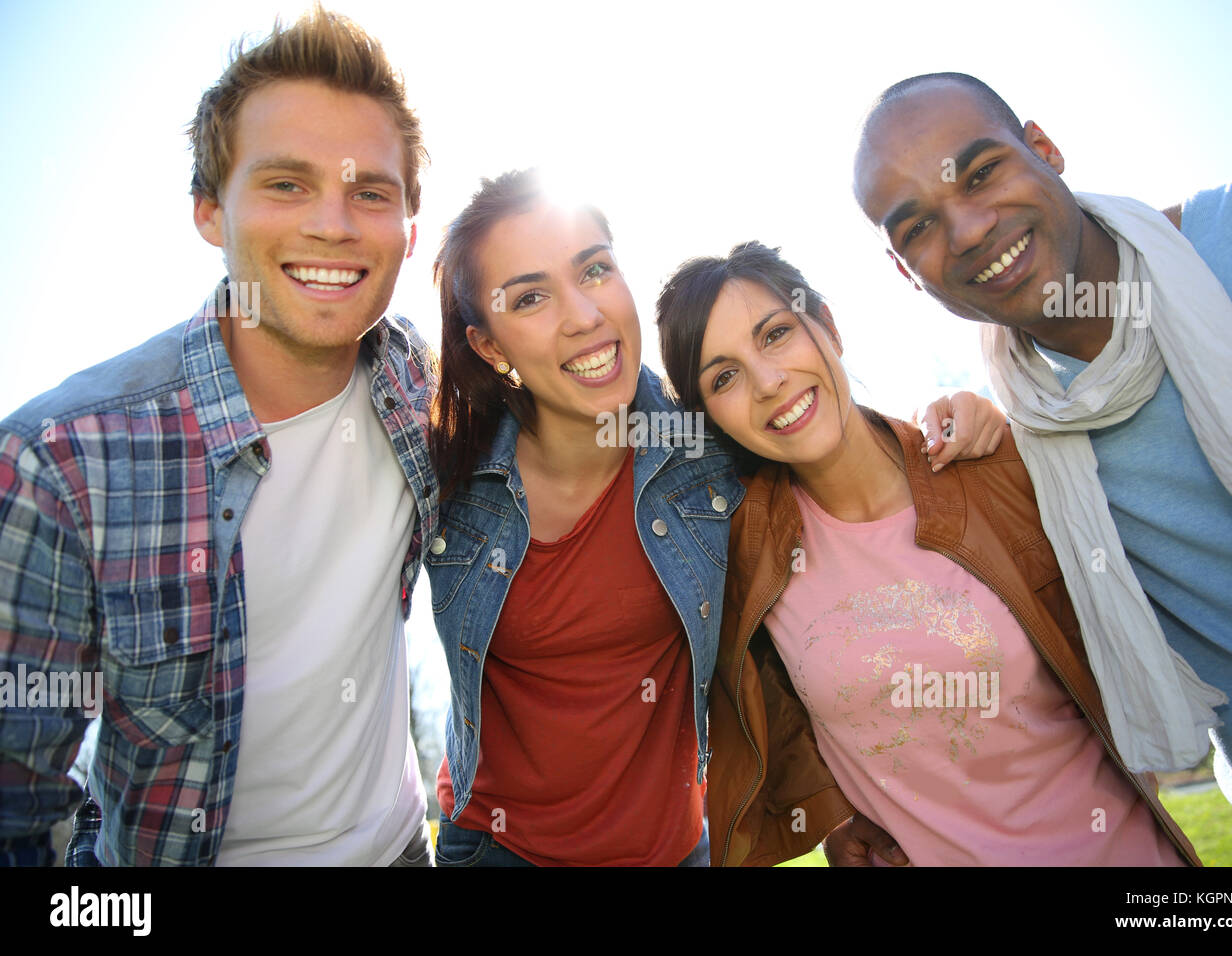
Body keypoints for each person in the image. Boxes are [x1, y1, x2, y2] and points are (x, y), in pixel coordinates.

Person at [0, 7, 438, 866]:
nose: (334, 224)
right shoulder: (60, 462)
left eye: (370, 193)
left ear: (409, 230)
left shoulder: (419, 384)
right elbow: (19, 817)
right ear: (208, 209)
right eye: (286, 184)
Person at [852, 73, 1232, 867]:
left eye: (982, 171)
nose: (967, 230)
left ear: (1046, 149)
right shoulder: (1024, 444)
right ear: (903, 272)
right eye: (919, 224)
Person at [655, 240, 1198, 866]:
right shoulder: (737, 551)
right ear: (710, 416)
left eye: (776, 335)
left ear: (828, 326)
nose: (769, 382)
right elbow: (778, 708)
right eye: (724, 376)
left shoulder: (992, 466)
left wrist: (995, 417)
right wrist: (833, 809)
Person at [425, 168, 740, 866]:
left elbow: (832, 444)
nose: (584, 315)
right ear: (490, 348)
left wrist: (954, 421)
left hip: (676, 851)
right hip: (494, 848)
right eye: (531, 296)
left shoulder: (709, 447)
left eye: (595, 269)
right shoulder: (447, 476)